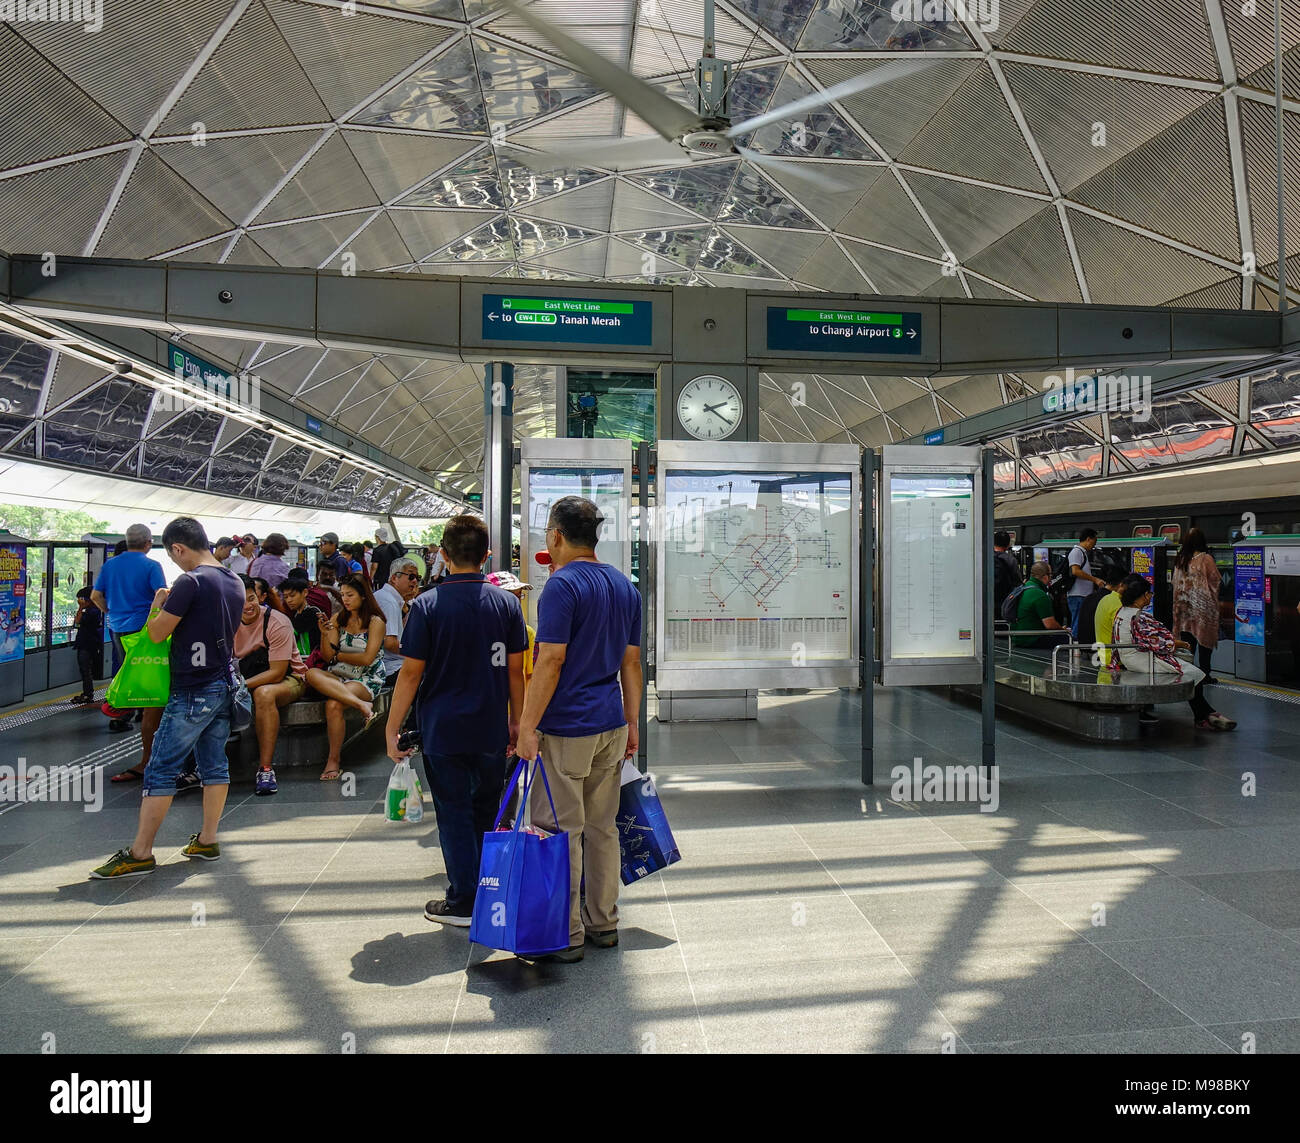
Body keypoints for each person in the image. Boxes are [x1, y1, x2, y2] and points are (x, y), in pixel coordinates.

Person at [514, 496, 643, 964]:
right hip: (610, 722)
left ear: (556, 536)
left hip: (568, 727)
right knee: (602, 828)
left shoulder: (561, 587)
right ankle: (604, 923)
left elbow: (550, 659)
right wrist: (632, 724)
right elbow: (632, 663)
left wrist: (527, 727)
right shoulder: (625, 586)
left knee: (560, 829)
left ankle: (565, 934)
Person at [386, 515, 527, 927]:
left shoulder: (427, 606)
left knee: (452, 813)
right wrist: (516, 723)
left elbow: (410, 674)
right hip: (490, 727)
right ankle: (489, 891)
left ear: (443, 557)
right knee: (487, 810)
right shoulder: (506, 604)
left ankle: (463, 899)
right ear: (486, 556)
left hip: (442, 730)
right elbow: (515, 672)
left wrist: (392, 729)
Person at [89, 518, 244, 879]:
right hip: (225, 684)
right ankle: (207, 840)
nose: (176, 563)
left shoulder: (190, 582)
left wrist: (159, 602)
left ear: (178, 548)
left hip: (191, 688)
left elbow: (157, 634)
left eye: (174, 556)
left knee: (161, 768)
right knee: (213, 765)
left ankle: (140, 852)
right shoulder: (233, 579)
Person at [1111, 575, 1236, 731]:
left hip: (1131, 659)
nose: (1150, 596)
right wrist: (1179, 643)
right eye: (1149, 593)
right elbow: (1156, 641)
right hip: (1144, 660)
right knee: (1195, 674)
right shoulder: (1138, 617)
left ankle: (1205, 714)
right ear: (1142, 596)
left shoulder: (1122, 612)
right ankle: (1204, 715)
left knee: (1191, 674)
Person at [92, 523, 166, 762]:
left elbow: (95, 596)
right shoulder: (151, 565)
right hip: (142, 627)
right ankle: (144, 712)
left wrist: (110, 612)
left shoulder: (110, 565)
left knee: (125, 668)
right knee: (147, 668)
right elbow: (161, 594)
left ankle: (122, 712)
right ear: (147, 543)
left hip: (117, 626)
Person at [303, 573, 384, 780]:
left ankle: (333, 760)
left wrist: (340, 655)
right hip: (339, 674)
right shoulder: (338, 619)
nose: (345, 599)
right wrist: (324, 634)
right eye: (343, 595)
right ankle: (362, 706)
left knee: (333, 704)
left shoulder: (376, 622)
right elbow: (328, 656)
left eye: (350, 595)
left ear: (363, 596)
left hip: (367, 677)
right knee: (311, 673)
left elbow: (367, 659)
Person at [235, 575, 308, 797]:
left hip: (289, 678)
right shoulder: (222, 621)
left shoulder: (277, 622)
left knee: (264, 694)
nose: (248, 606)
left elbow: (277, 673)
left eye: (252, 598)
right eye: (241, 601)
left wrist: (239, 687)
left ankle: (265, 769)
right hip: (244, 678)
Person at [1173, 528, 1222, 686]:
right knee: (1204, 643)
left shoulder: (1180, 559)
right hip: (1201, 610)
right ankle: (1204, 674)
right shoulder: (1206, 559)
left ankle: (1188, 671)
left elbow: (1175, 582)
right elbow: (1215, 581)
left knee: (1188, 643)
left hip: (1183, 609)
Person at [374, 557, 420, 686]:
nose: (415, 581)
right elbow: (391, 643)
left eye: (417, 577)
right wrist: (415, 650)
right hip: (389, 668)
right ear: (394, 578)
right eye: (411, 576)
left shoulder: (388, 598)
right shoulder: (389, 602)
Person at [487, 570, 536, 687]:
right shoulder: (481, 631)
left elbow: (530, 676)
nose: (515, 602)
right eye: (508, 596)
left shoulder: (528, 633)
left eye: (519, 596)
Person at [1011, 561, 1067, 650]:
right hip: (1032, 638)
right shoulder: (1040, 595)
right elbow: (1050, 625)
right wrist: (1063, 630)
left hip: (1017, 637)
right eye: (1051, 575)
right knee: (1071, 640)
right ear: (1045, 577)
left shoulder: (1024, 587)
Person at [1066, 528, 1105, 638]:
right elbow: (1075, 571)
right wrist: (1095, 580)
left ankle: (1076, 646)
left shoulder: (1082, 552)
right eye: (1094, 542)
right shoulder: (1076, 552)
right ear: (1088, 539)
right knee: (1078, 623)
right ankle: (1074, 647)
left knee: (1080, 621)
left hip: (1081, 594)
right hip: (1077, 594)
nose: (1094, 545)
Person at [280, 568, 324, 659]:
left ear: (305, 592)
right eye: (286, 597)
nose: (289, 600)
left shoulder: (313, 613)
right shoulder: (296, 615)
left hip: (311, 660)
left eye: (292, 595)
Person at [70, 587, 103, 704]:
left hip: (87, 644)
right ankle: (87, 692)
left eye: (81, 599)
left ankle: (88, 694)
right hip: (86, 643)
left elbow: (78, 621)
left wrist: (80, 608)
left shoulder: (93, 612)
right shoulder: (92, 610)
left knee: (85, 669)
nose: (79, 601)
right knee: (85, 669)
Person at [1081, 563, 1125, 649]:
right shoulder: (1112, 600)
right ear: (1121, 584)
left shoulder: (1090, 597)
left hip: (1083, 646)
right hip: (1099, 649)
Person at [992, 530, 1021, 617]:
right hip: (1005, 601)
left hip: (987, 600)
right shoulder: (1011, 560)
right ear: (1008, 544)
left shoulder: (985, 557)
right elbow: (1017, 582)